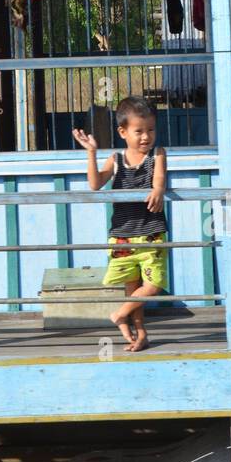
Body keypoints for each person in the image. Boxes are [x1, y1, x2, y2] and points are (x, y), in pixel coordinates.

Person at [72, 97, 167, 353]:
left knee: (153, 285)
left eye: (151, 130)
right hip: (123, 235)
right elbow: (95, 184)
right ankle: (141, 333)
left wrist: (158, 190)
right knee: (132, 288)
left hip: (151, 234)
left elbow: (159, 179)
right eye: (139, 131)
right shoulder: (115, 159)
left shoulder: (158, 155)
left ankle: (119, 314)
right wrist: (91, 153)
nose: (146, 137)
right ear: (123, 132)